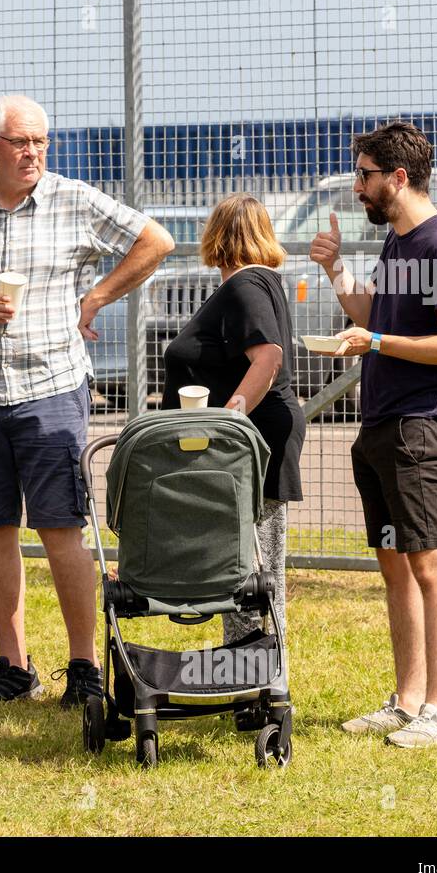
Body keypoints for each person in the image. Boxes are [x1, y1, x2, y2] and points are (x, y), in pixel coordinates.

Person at [0, 94, 175, 709]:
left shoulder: (72, 200)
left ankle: (83, 664)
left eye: (39, 141)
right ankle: (14, 666)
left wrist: (97, 298)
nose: (32, 151)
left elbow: (155, 241)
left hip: (51, 388)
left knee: (62, 526)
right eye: (19, 142)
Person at [309, 120, 437, 748]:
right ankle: (407, 703)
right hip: (379, 427)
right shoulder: (397, 244)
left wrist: (375, 342)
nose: (358, 188)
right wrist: (336, 273)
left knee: (430, 563)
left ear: (397, 178)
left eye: (365, 175)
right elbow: (373, 315)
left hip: (419, 429)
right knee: (396, 566)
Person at [160, 194, 304, 657]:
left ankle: (258, 678)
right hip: (250, 443)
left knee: (253, 566)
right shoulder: (256, 284)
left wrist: (229, 420)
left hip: (250, 446)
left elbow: (268, 357)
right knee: (251, 562)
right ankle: (250, 672)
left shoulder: (245, 286)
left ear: (217, 235)